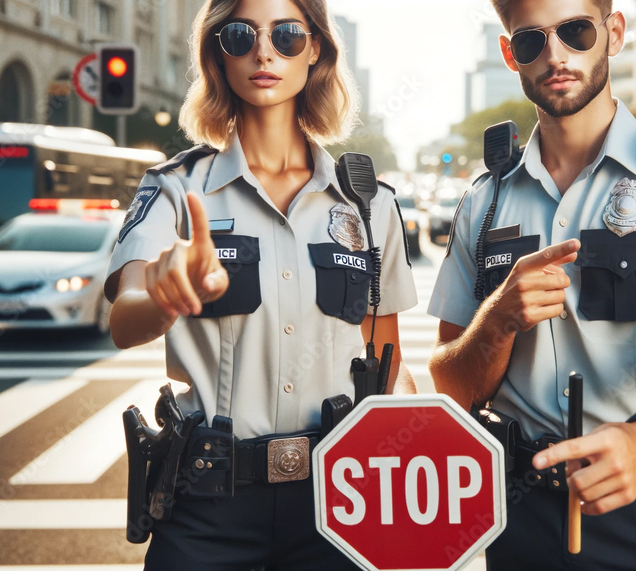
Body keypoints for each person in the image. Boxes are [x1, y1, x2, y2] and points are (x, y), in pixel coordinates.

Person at [427, 0, 636, 569]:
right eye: (531, 40)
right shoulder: (484, 199)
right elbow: (451, 383)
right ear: (510, 55)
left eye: (575, 31)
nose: (555, 55)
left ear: (613, 32)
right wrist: (498, 319)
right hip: (517, 511)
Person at [105, 0, 416, 568]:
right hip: (206, 506)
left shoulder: (369, 205)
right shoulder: (174, 189)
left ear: (315, 47)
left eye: (287, 34)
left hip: (340, 501)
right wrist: (162, 296)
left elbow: (386, 358)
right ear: (218, 53)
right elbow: (124, 320)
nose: (264, 52)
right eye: (241, 35)